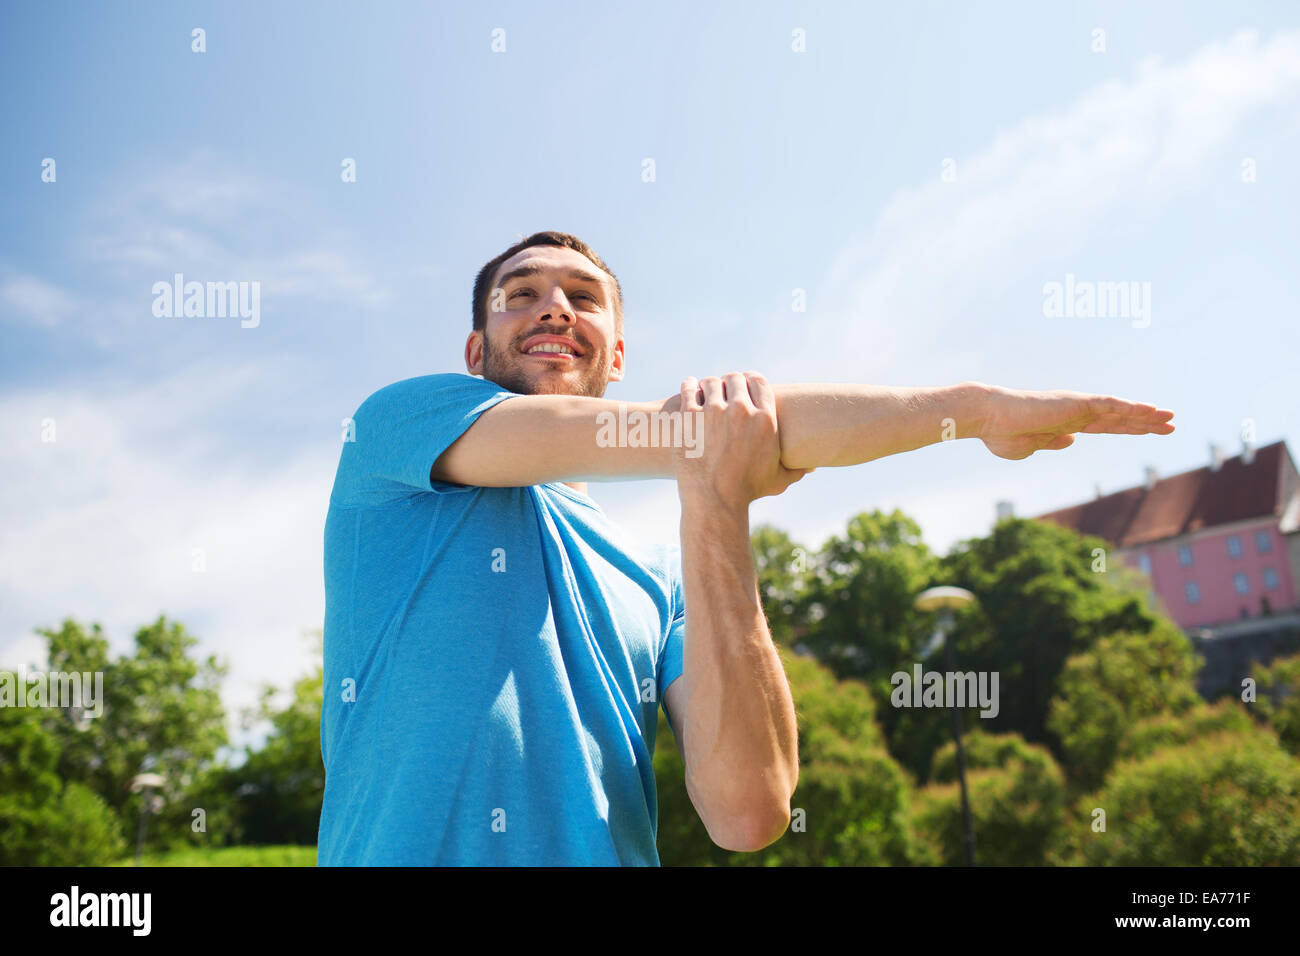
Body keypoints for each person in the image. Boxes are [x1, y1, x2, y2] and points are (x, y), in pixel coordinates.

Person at [316, 230, 1175, 866]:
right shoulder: (396, 432)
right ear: (475, 351)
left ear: (618, 354)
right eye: (522, 292)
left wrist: (717, 505)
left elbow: (749, 812)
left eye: (583, 296)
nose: (554, 307)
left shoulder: (664, 578)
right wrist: (973, 410)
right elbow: (706, 432)